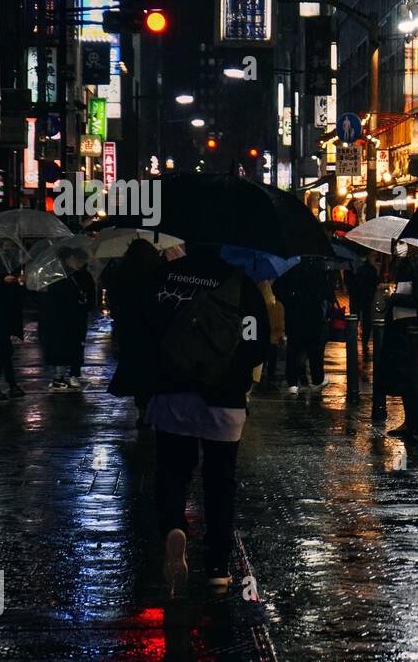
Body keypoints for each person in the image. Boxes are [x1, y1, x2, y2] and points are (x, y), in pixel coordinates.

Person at [131, 246, 269, 592]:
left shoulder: (163, 279)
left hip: (171, 393)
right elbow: (257, 344)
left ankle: (173, 526)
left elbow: (139, 333)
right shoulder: (241, 286)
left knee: (172, 471)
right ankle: (218, 567)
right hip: (225, 401)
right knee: (220, 482)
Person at [106, 238, 162, 412]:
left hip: (129, 328)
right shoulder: (158, 274)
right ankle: (152, 407)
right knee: (154, 368)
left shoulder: (122, 274)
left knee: (137, 369)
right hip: (154, 328)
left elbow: (113, 300)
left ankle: (142, 409)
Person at [381, 249, 418, 441]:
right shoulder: (406, 265)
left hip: (409, 331)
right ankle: (410, 422)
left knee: (411, 377)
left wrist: (393, 297)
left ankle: (414, 424)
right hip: (401, 327)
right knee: (404, 377)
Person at [273, 258, 331, 395]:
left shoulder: (289, 269)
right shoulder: (318, 269)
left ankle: (292, 382)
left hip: (294, 317)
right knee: (314, 350)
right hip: (312, 316)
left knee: (293, 350)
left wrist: (289, 301)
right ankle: (317, 380)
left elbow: (277, 289)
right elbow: (326, 292)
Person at [42, 247, 95, 391]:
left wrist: (84, 304)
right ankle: (61, 375)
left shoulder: (83, 276)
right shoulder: (59, 277)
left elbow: (91, 298)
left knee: (75, 345)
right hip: (63, 318)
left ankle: (73, 373)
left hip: (75, 317)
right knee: (64, 345)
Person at [0, 241, 26, 399]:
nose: (9, 248)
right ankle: (3, 385)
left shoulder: (9, 264)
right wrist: (3, 281)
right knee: (2, 351)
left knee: (4, 351)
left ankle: (4, 385)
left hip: (4, 313)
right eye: (7, 245)